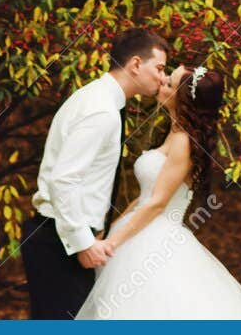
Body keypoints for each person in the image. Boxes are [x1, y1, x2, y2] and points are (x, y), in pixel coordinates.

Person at [75, 64, 241, 319]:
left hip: (156, 240)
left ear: (182, 98)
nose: (162, 81)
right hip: (139, 231)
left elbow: (157, 203)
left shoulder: (184, 142)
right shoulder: (172, 133)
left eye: (169, 83)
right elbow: (144, 198)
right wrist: (113, 228)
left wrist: (112, 243)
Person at [21, 28, 168, 319]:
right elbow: (63, 179)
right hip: (59, 242)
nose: (163, 78)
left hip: (62, 235)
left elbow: (84, 178)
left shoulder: (99, 100)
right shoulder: (100, 110)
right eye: (160, 68)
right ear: (136, 64)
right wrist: (83, 242)